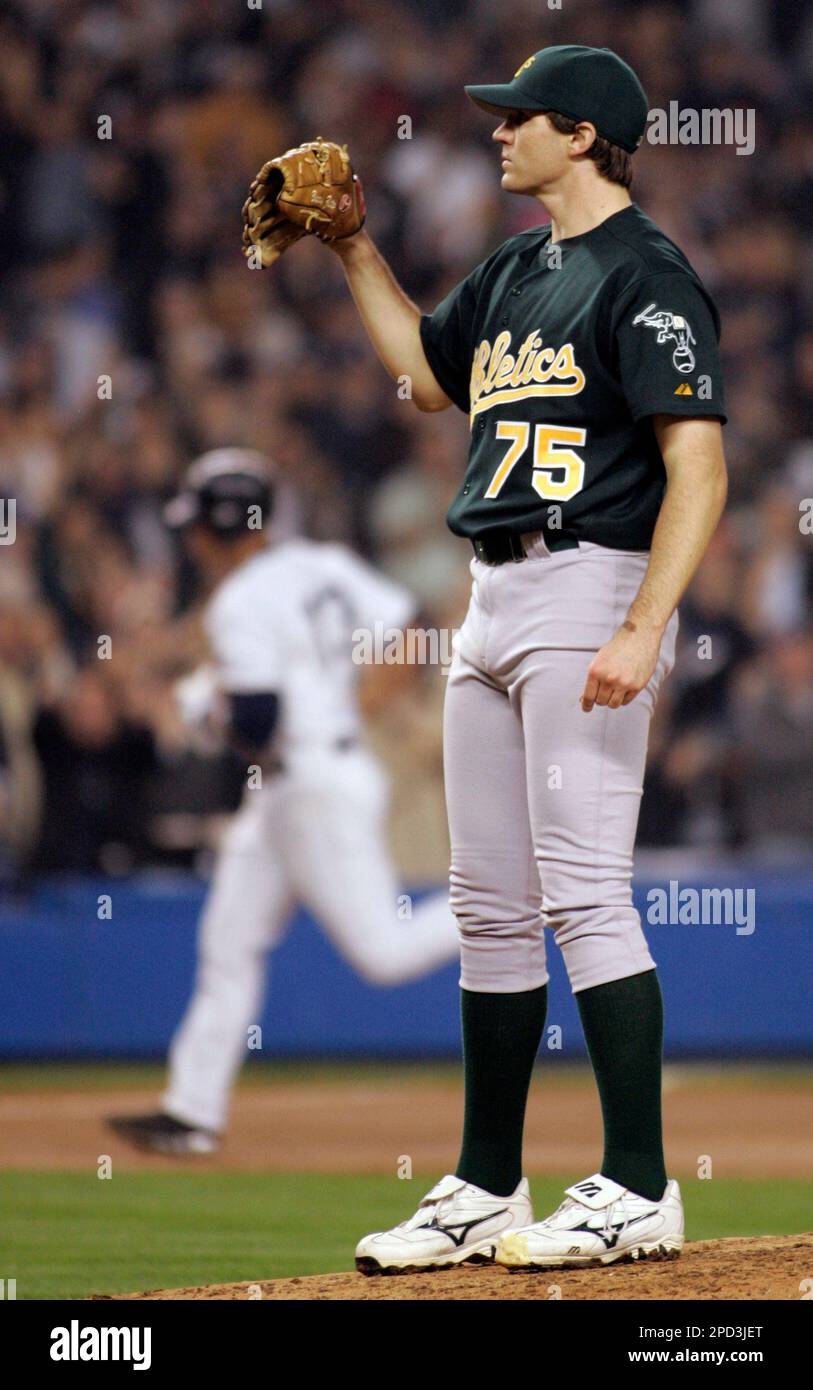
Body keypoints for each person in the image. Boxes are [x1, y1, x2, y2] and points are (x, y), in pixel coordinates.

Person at [306, 45, 728, 1271]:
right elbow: (424, 380)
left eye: (520, 119)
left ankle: (642, 1185)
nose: (496, 134)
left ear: (584, 134)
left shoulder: (645, 275)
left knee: (584, 892)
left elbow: (697, 466)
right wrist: (351, 250)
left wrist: (645, 622)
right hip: (490, 594)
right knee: (488, 907)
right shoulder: (515, 267)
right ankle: (486, 1183)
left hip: (589, 580)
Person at [107, 448, 459, 1155]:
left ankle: (517, 894)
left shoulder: (239, 599)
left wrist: (207, 712)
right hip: (298, 782)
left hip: (308, 784)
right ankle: (191, 1111)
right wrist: (352, 707)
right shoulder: (319, 564)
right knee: (230, 940)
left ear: (212, 528)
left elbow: (258, 722)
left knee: (382, 955)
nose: (192, 542)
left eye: (196, 527)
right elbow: (415, 627)